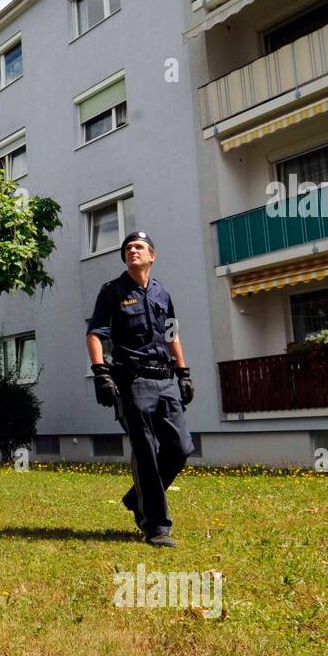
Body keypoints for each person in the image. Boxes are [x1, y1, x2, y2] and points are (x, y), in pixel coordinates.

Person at [86, 232, 195, 547]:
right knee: (145, 451)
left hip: (165, 380)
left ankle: (138, 496)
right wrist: (100, 374)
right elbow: (95, 334)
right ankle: (156, 527)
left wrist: (184, 373)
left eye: (139, 247)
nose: (133, 250)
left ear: (152, 255)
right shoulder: (112, 291)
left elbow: (172, 334)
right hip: (132, 382)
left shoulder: (163, 294)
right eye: (128, 248)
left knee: (180, 447)